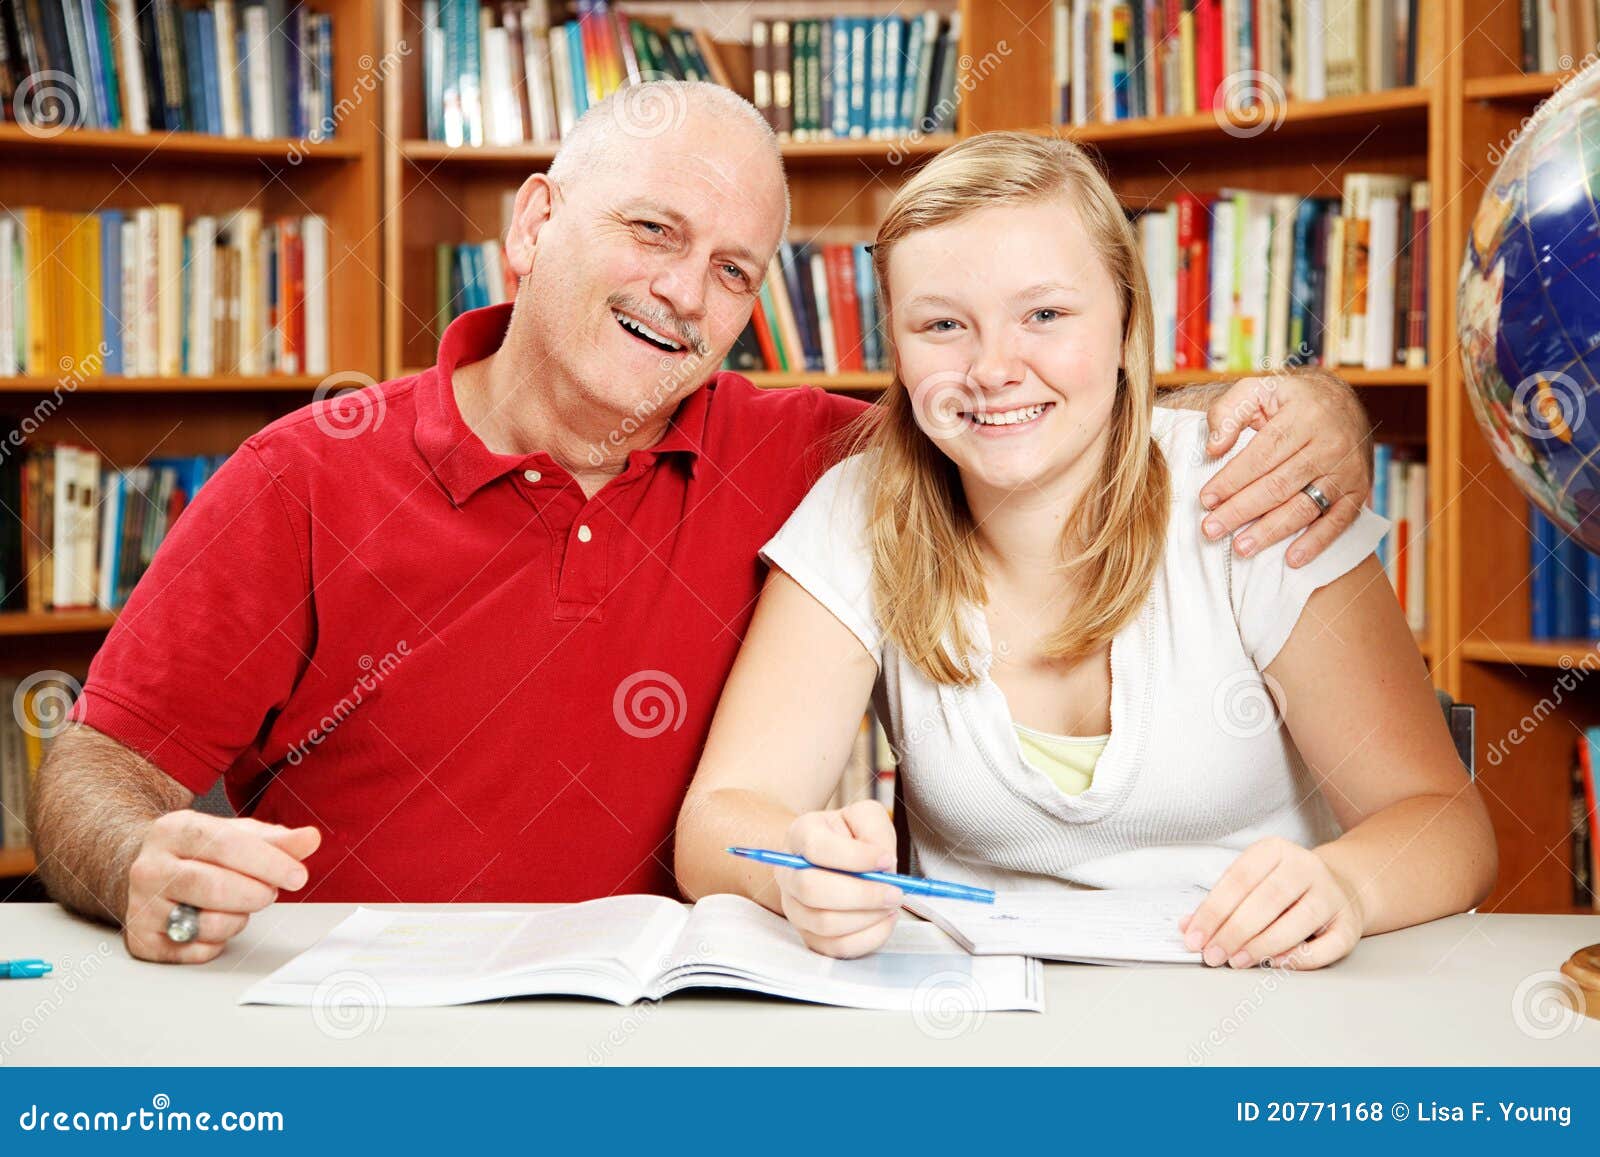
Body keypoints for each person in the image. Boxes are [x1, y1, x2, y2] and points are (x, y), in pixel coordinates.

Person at [30, 84, 1374, 965]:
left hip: (674, 1027)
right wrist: (141, 852)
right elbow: (96, 767)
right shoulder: (305, 475)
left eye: (734, 269)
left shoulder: (819, 455)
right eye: (652, 230)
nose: (685, 291)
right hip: (360, 1027)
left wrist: (1308, 410)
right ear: (536, 221)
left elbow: (1025, 407)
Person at [674, 131, 1497, 970]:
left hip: (1259, 1006)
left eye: (1045, 315)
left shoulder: (1255, 485)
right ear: (899, 347)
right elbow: (719, 820)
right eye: (944, 324)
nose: (994, 368)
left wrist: (1346, 886)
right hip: (977, 1027)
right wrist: (800, 869)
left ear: (1127, 320)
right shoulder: (859, 511)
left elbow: (1443, 819)